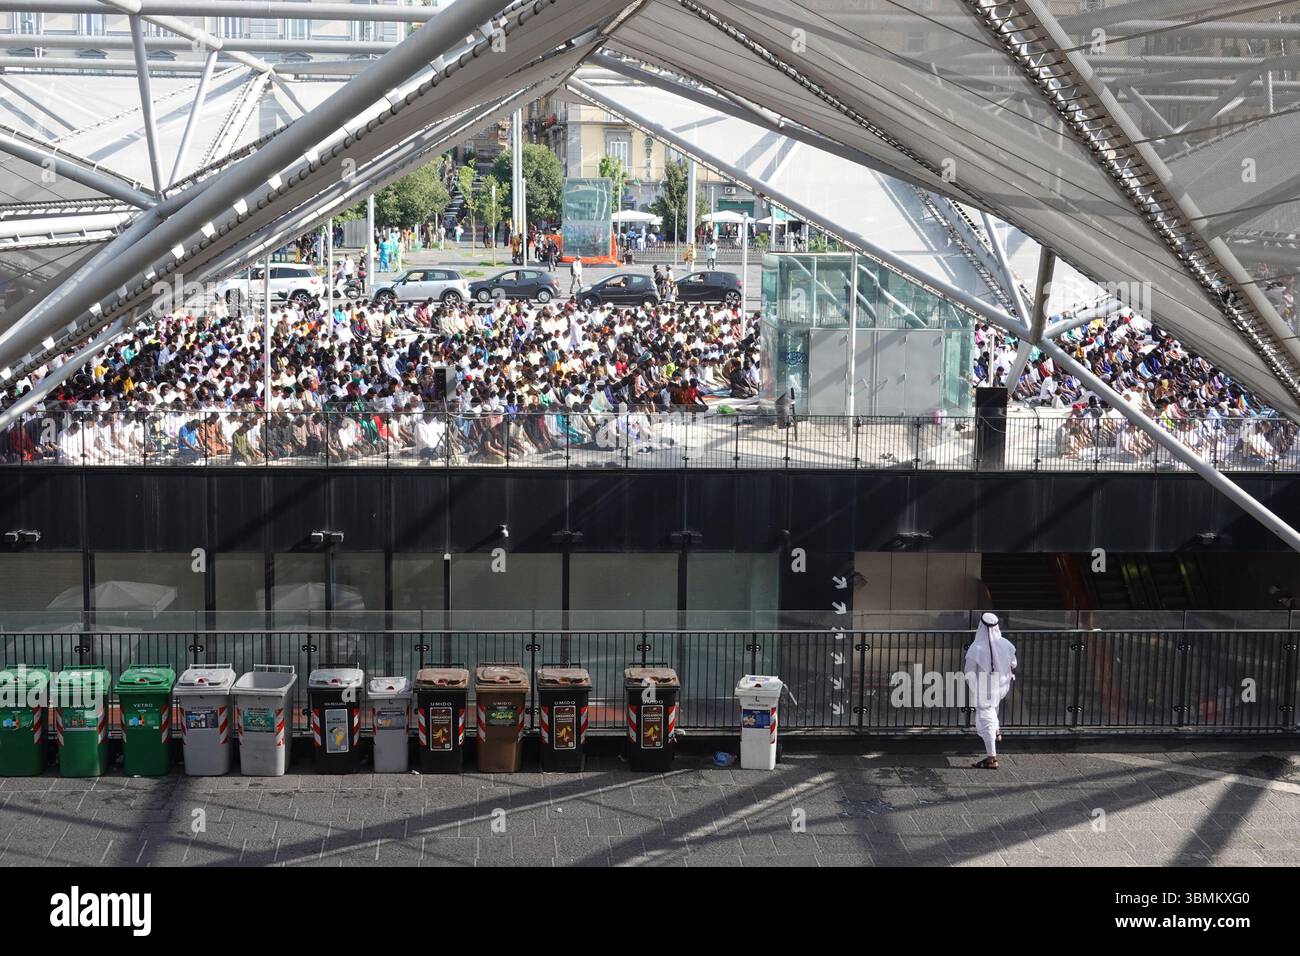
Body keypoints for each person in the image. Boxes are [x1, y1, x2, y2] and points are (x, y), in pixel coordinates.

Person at [964, 612, 1017, 770]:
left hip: (985, 688)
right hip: (1002, 685)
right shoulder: (1006, 644)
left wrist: (975, 687)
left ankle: (991, 758)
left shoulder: (976, 648)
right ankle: (997, 731)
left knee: (986, 718)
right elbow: (1014, 663)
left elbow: (969, 671)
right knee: (994, 709)